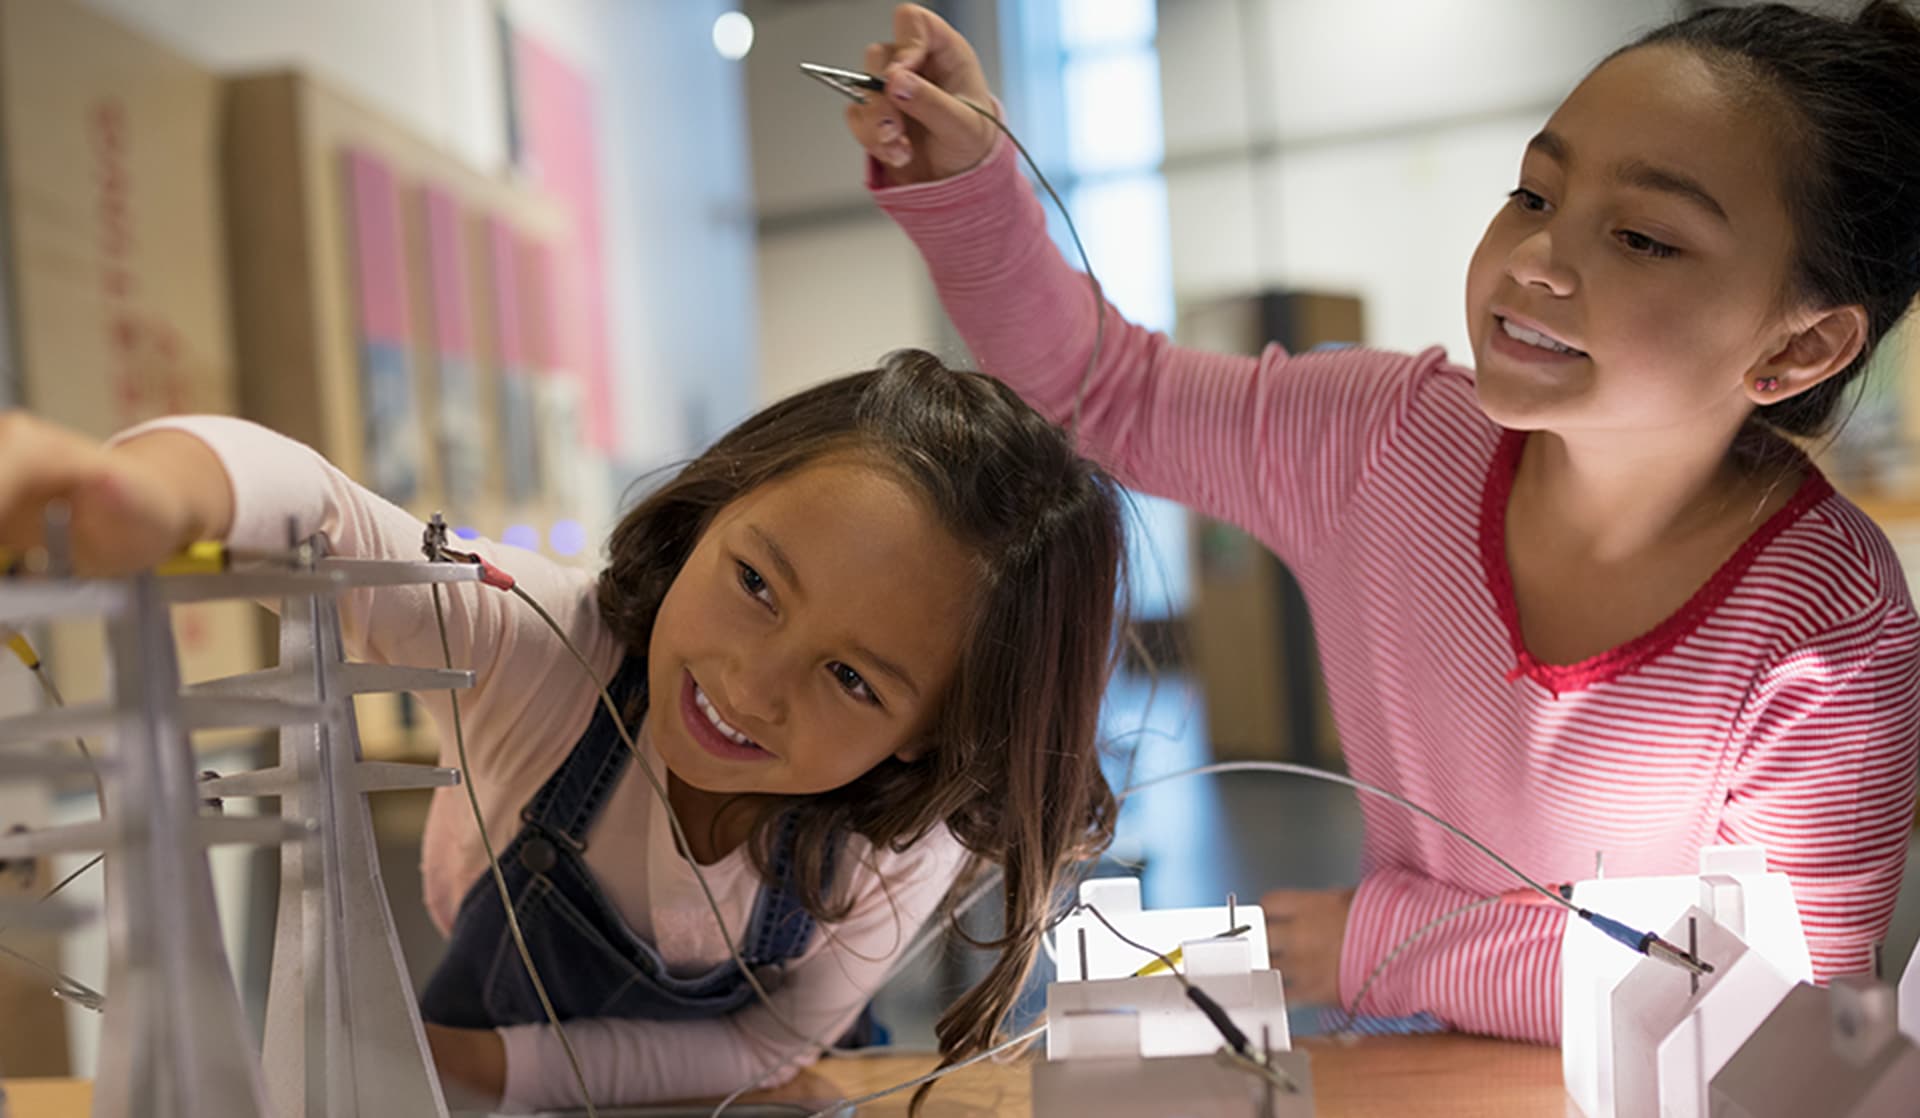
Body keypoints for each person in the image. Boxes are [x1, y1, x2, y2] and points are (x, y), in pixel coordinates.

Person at [843, 2, 1920, 1041]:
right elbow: (1105, 390)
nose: (1535, 261)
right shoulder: (1384, 443)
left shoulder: (1831, 622)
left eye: (1640, 236)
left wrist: (1382, 938)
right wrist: (969, 184)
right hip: (1405, 1062)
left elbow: (1779, 999)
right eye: (1533, 195)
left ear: (1798, 349)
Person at [0, 349, 1127, 1108]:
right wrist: (142, 490)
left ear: (935, 736)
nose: (751, 680)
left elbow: (767, 1048)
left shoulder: (905, 838)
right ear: (707, 512)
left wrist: (486, 1060)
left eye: (850, 676)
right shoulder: (546, 645)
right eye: (754, 581)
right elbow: (321, 507)